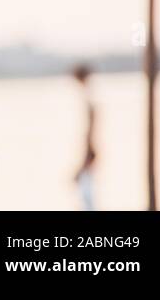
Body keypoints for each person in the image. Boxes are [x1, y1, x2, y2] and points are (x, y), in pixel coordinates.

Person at [70, 63, 97, 211]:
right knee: (86, 194)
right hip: (89, 152)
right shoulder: (88, 98)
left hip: (89, 152)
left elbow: (90, 132)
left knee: (86, 197)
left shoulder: (88, 100)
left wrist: (84, 160)